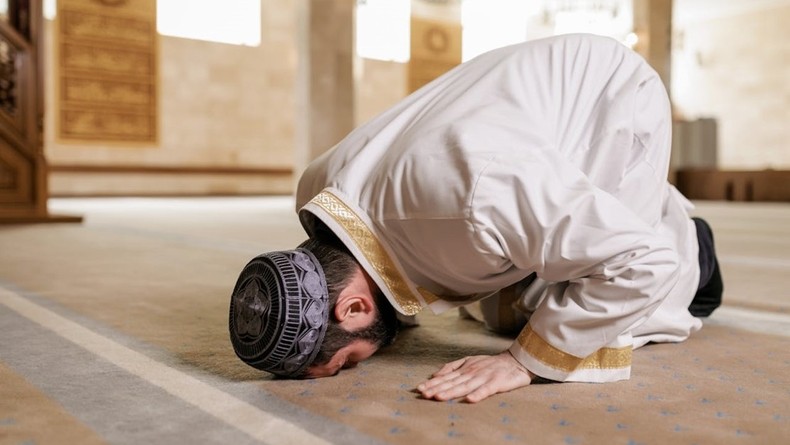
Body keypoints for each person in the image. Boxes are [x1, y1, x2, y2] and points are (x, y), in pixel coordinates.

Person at [228, 34, 723, 403]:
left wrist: (522, 363)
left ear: (354, 309)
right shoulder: (315, 190)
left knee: (560, 313)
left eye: (346, 362)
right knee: (494, 304)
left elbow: (642, 261)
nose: (358, 364)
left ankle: (693, 247)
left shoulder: (475, 202)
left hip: (606, 99)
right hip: (519, 112)